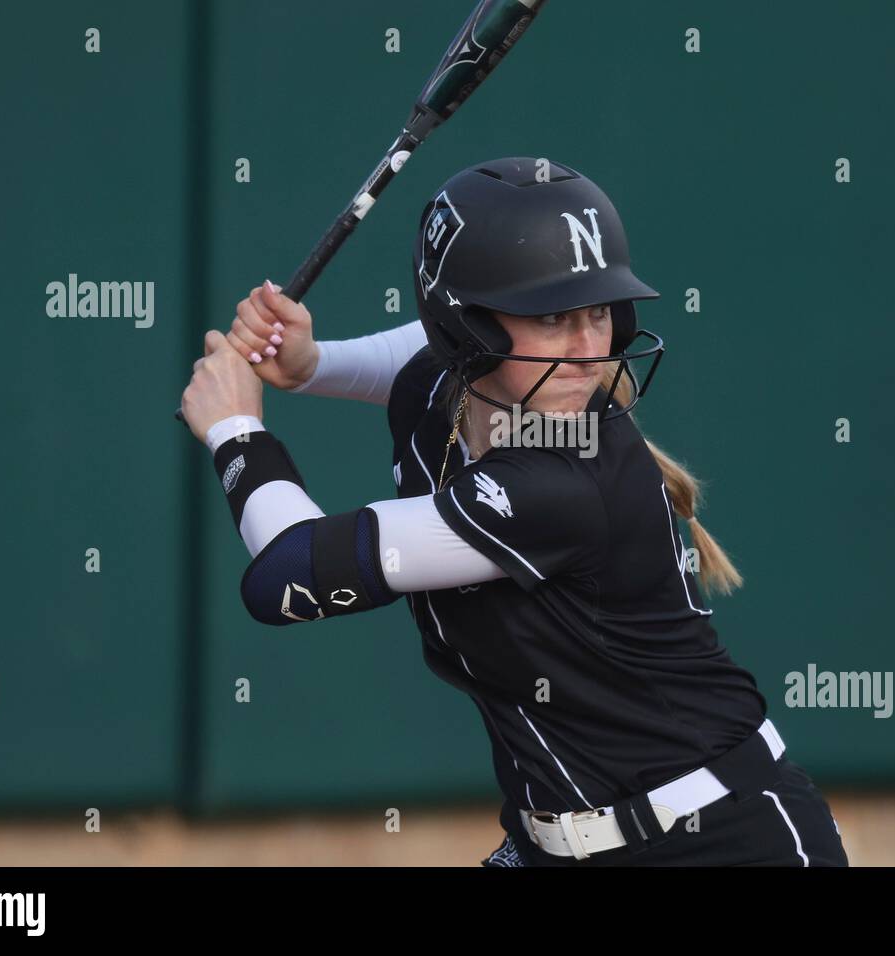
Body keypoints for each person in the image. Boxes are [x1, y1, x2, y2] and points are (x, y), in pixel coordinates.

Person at [180, 156, 848, 866]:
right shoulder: (456, 380)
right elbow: (414, 352)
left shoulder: (560, 480)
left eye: (600, 313)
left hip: (722, 845)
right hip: (555, 844)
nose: (589, 350)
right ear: (467, 332)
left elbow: (287, 576)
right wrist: (312, 365)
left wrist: (235, 432)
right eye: (553, 317)